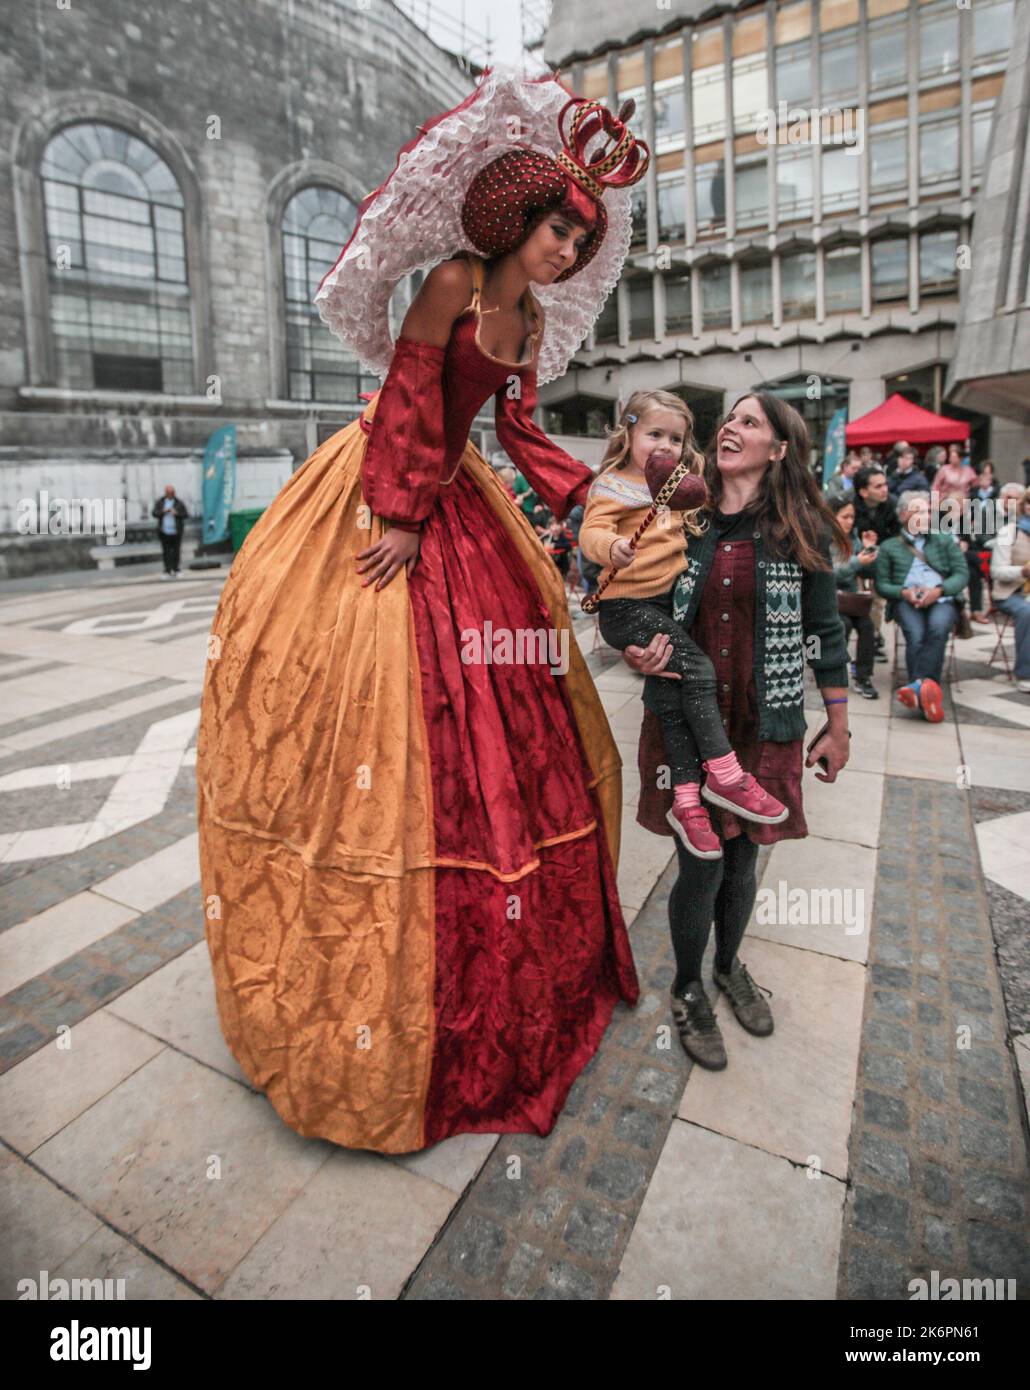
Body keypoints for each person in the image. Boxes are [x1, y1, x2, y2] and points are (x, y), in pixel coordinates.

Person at [195, 70, 649, 1153]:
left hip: (461, 502)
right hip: (386, 486)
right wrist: (395, 513)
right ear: (513, 217)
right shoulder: (449, 279)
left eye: (576, 245)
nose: (561, 255)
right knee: (366, 704)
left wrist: (592, 497)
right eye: (553, 231)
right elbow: (407, 396)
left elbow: (525, 437)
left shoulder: (530, 316)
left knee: (505, 717)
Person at [623, 392, 851, 1070]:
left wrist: (838, 724)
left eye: (750, 422)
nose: (730, 427)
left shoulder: (797, 525)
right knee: (703, 860)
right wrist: (638, 646)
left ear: (779, 449)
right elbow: (636, 600)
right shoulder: (678, 513)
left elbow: (827, 631)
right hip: (689, 721)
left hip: (764, 718)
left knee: (745, 854)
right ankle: (689, 986)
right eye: (730, 418)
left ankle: (728, 965)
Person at [579, 390, 788, 861]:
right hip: (627, 606)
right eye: (654, 434)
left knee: (673, 699)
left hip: (662, 606)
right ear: (628, 432)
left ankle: (688, 802)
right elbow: (591, 530)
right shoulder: (614, 485)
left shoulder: (680, 483)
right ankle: (727, 775)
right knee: (698, 671)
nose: (666, 446)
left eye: (676, 437)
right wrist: (611, 547)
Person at [874, 490, 966, 722]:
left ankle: (918, 687)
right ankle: (928, 691)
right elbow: (882, 584)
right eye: (919, 511)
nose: (926, 516)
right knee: (915, 634)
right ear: (904, 514)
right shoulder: (889, 546)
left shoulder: (944, 539)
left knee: (937, 628)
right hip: (907, 599)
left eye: (927, 511)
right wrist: (903, 592)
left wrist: (940, 591)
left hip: (941, 597)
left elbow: (961, 574)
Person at [828, 493, 879, 699]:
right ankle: (834, 672)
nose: (850, 521)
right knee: (844, 624)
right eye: (845, 517)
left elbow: (868, 571)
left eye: (852, 517)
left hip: (850, 600)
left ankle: (863, 676)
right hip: (828, 599)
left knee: (868, 627)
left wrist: (870, 549)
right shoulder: (823, 540)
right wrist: (857, 562)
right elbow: (830, 572)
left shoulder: (853, 540)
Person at [990, 483, 1030, 693]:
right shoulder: (1009, 532)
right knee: (1027, 612)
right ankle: (1024, 673)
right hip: (1010, 592)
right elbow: (997, 571)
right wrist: (1022, 572)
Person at [963, 460, 1001, 622]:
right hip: (975, 541)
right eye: (982, 474)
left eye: (988, 474)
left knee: (986, 562)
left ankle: (996, 603)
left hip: (993, 541)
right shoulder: (972, 494)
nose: (985, 478)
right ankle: (976, 610)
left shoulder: (998, 494)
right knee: (972, 569)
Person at [151, 484, 188, 578]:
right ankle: (167, 571)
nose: (170, 494)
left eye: (172, 492)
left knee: (176, 551)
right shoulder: (160, 502)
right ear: (165, 493)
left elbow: (185, 514)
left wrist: (176, 513)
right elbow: (154, 513)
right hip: (164, 532)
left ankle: (176, 569)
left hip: (176, 531)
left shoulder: (178, 502)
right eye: (168, 492)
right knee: (166, 552)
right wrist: (163, 511)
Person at [931, 442, 976, 510]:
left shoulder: (968, 470)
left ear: (960, 458)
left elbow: (975, 484)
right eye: (951, 456)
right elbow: (935, 486)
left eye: (954, 457)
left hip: (963, 501)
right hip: (946, 501)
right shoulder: (944, 469)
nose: (951, 458)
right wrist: (935, 501)